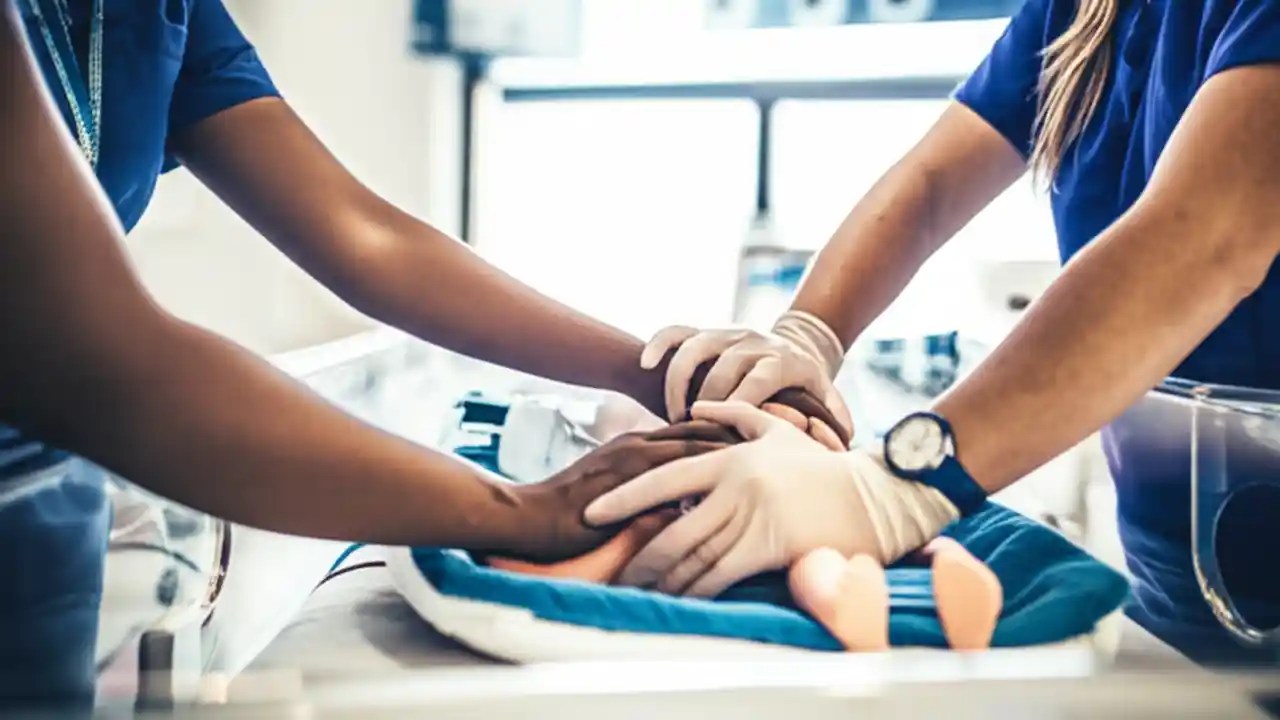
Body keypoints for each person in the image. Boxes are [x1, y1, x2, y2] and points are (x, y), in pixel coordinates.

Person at [0, 0, 747, 705]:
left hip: (48, 520)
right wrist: (526, 510)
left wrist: (654, 373)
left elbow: (366, 238)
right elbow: (103, 360)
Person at [586, 0, 1280, 664]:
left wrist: (898, 485)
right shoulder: (1087, 13)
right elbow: (932, 183)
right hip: (1179, 584)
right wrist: (809, 334)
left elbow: (1205, 238)